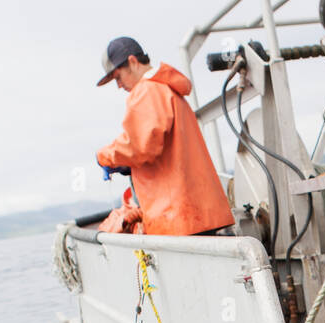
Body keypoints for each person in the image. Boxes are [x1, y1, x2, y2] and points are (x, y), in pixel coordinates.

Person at [96, 37, 235, 236]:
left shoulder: (146, 91)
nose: (118, 85)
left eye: (118, 77)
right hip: (201, 213)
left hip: (177, 218)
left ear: (133, 62)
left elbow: (139, 147)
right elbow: (161, 146)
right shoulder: (169, 89)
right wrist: (129, 164)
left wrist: (104, 156)